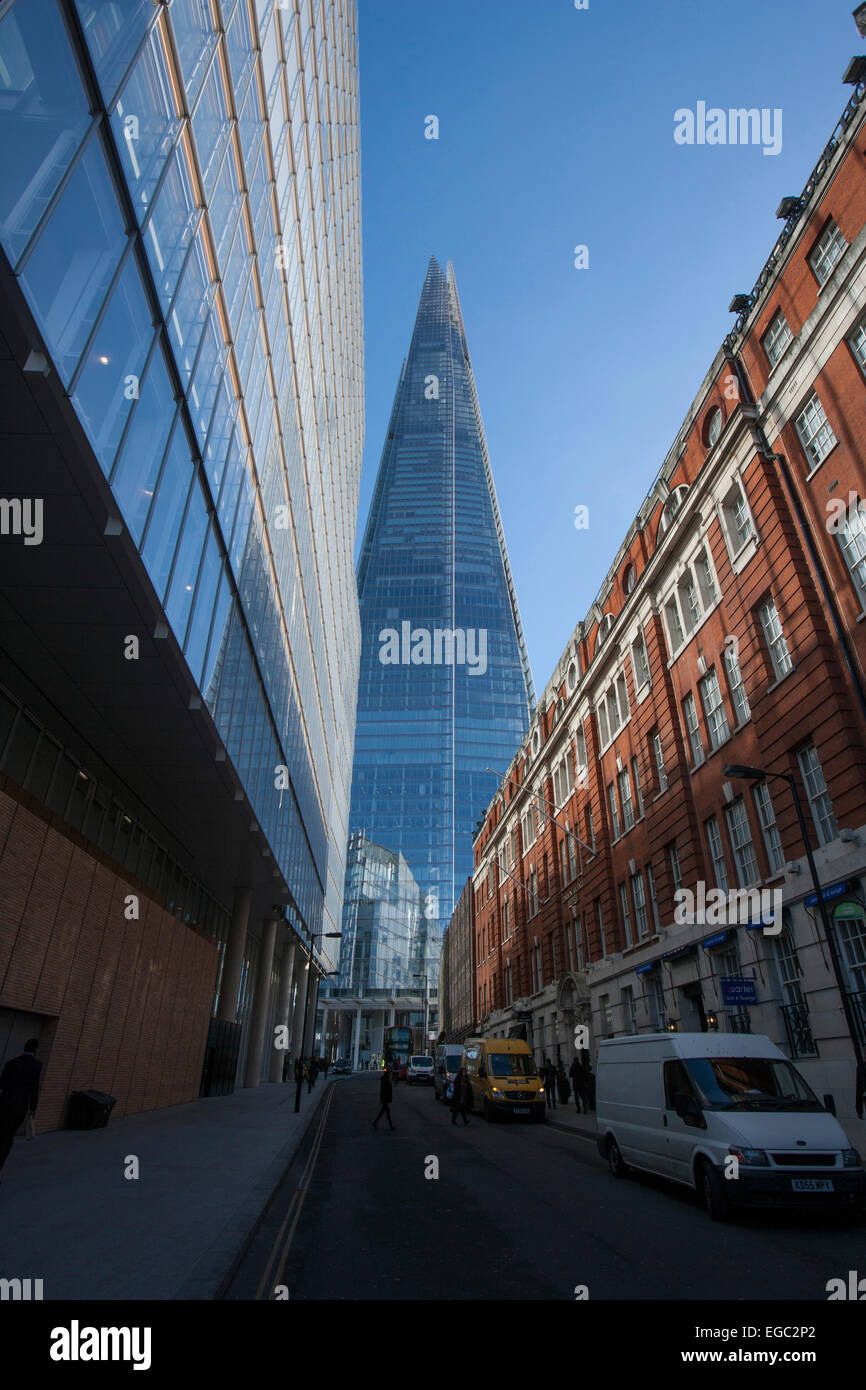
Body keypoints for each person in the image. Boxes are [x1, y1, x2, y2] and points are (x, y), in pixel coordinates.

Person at [0, 1037, 41, 1178]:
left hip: (3, 1102)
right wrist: (33, 1108)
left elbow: (2, 1083)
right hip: (18, 1106)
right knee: (7, 1138)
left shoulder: (11, 1063)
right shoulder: (35, 1065)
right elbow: (34, 1089)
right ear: (35, 1050)